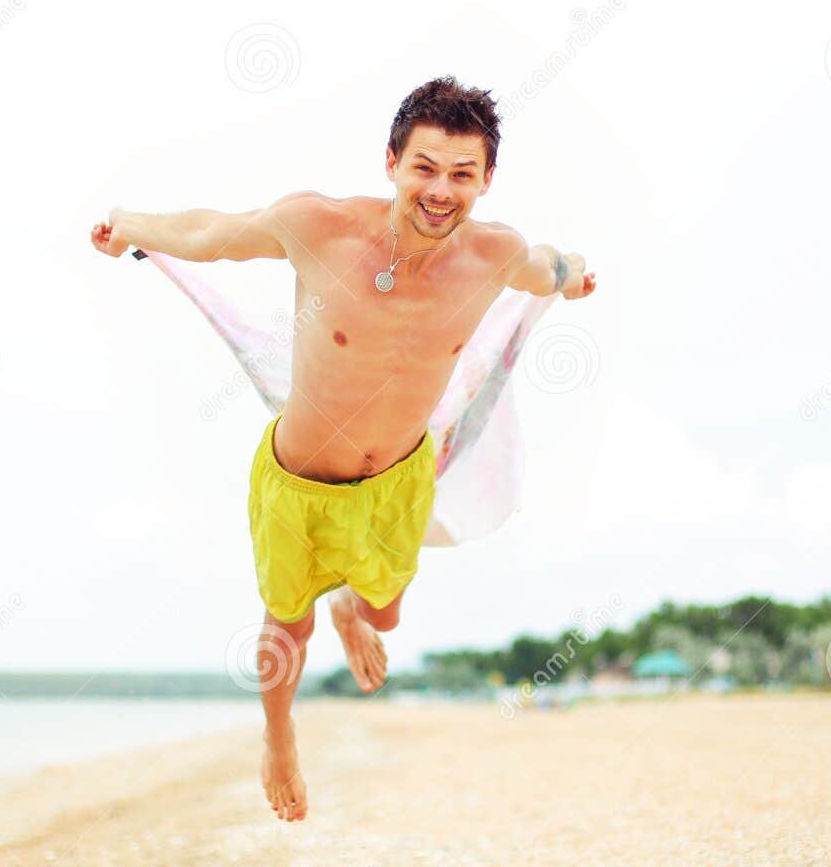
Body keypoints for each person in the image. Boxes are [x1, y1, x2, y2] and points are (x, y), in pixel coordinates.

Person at [90, 76, 596, 822]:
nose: (440, 191)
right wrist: (128, 223)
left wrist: (573, 275)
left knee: (384, 617)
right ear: (392, 161)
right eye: (425, 167)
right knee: (286, 623)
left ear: (487, 179)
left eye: (462, 174)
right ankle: (278, 737)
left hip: (398, 481)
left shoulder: (494, 254)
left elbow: (545, 265)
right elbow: (213, 233)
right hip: (299, 483)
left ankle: (351, 610)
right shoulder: (319, 227)